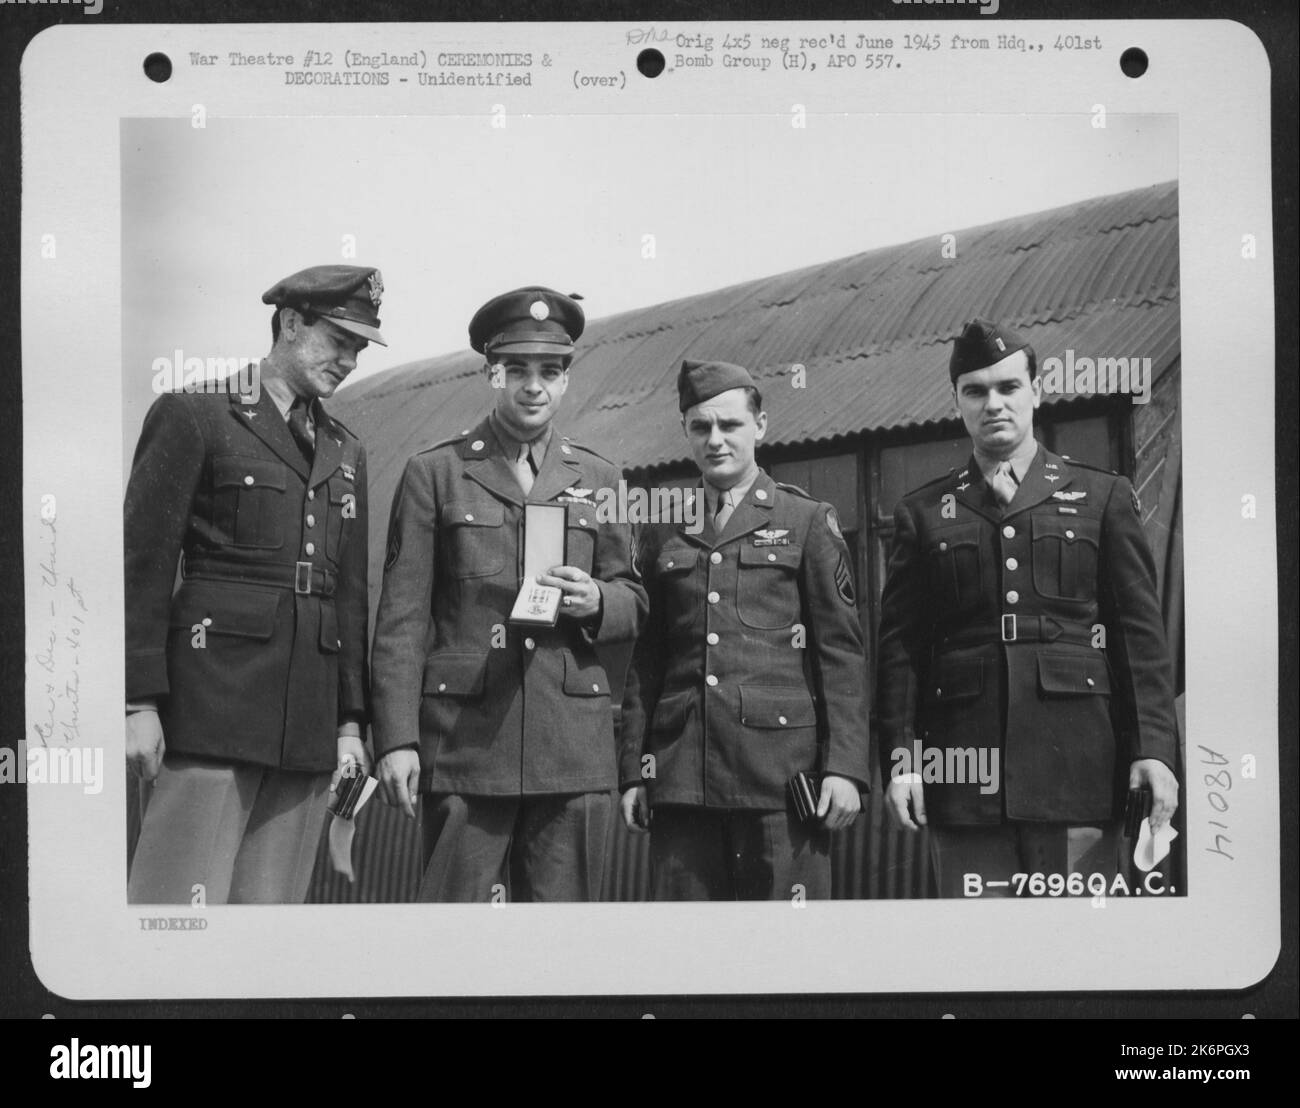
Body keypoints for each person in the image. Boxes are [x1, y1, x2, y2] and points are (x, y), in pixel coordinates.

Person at [876, 317, 1180, 897]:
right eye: (976, 391)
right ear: (957, 403)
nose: (994, 403)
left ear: (1036, 391)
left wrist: (1154, 751)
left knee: (1080, 960)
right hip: (964, 779)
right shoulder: (922, 512)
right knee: (979, 963)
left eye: (1008, 387)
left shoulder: (1101, 496)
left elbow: (1138, 637)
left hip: (1080, 771)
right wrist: (902, 760)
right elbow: (901, 652)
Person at [370, 286, 647, 902]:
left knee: (561, 944)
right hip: (467, 742)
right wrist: (395, 739)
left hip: (570, 747)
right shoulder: (434, 474)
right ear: (491, 374)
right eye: (516, 370)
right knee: (451, 936)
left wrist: (597, 600)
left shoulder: (602, 478)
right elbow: (402, 618)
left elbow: (635, 597)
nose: (533, 386)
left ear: (566, 381)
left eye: (550, 372)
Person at [125, 264, 382, 903]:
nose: (348, 360)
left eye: (358, 347)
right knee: (178, 914)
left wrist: (351, 725)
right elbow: (142, 566)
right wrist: (138, 702)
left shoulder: (347, 451)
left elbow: (348, 597)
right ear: (290, 323)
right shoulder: (196, 415)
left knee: (266, 936)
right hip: (211, 711)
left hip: (307, 729)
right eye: (338, 340)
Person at [618, 359, 870, 900]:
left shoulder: (805, 521)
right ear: (686, 431)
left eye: (730, 425)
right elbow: (648, 662)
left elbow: (840, 655)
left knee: (787, 959)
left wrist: (845, 768)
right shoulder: (665, 532)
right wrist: (634, 772)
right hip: (683, 780)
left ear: (760, 425)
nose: (715, 440)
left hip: (780, 778)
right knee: (689, 959)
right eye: (700, 427)